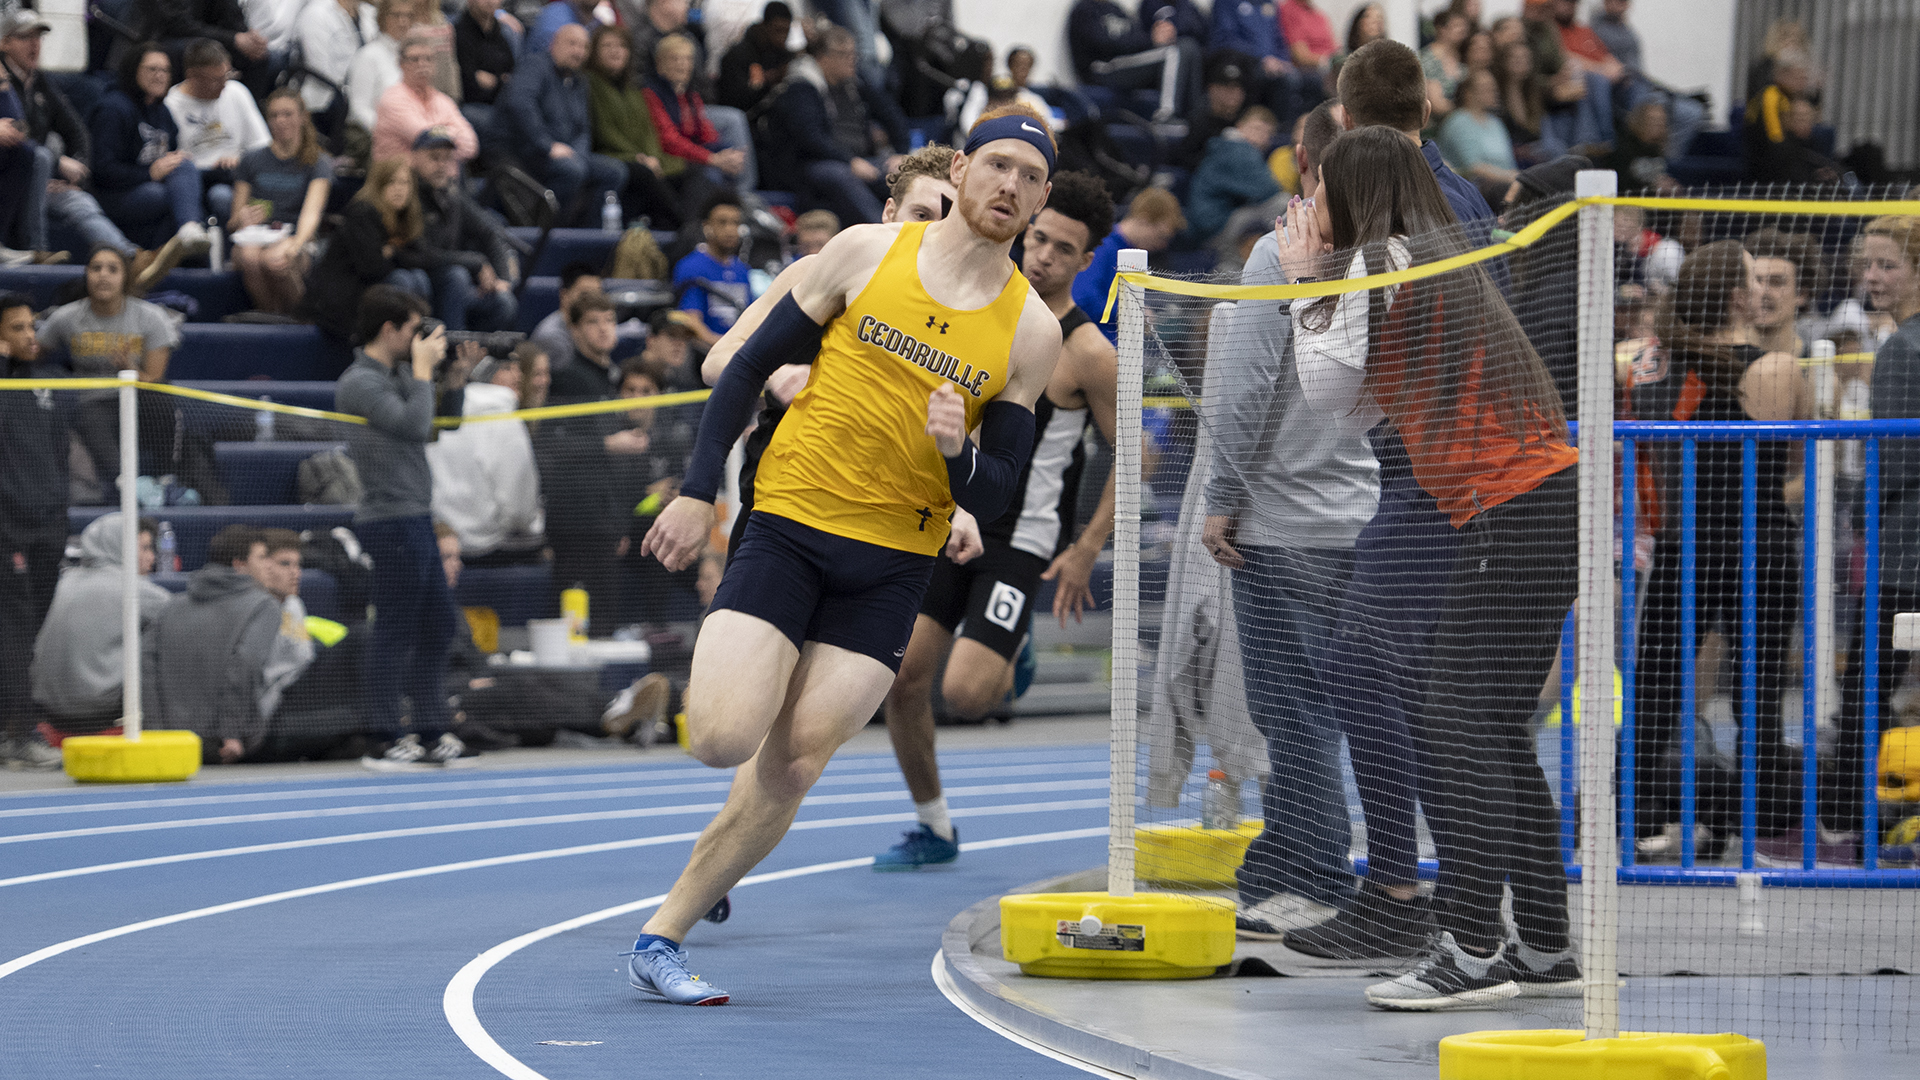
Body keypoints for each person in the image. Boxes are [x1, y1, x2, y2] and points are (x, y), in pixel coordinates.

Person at [621, 104, 1063, 1005]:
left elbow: (996, 491)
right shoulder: (867, 253)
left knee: (792, 764)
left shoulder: (1032, 332)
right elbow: (738, 366)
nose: (1010, 186)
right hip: (789, 526)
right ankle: (727, 833)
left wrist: (958, 454)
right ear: (967, 168)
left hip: (895, 564)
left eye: (1030, 176)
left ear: (1041, 197)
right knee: (723, 739)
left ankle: (662, 935)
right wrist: (698, 489)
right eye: (999, 166)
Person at [1280, 125, 1581, 1008]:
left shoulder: (1389, 261)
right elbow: (1361, 408)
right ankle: (1546, 948)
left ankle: (1472, 950)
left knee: (1456, 726)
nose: (1307, 204)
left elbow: (1328, 393)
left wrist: (1304, 286)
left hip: (1509, 507)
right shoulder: (1421, 259)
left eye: (1319, 186)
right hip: (1534, 505)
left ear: (1354, 190)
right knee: (1492, 729)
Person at [877, 170, 1118, 870]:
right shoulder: (983, 309)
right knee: (902, 679)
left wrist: (1084, 549)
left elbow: (1136, 456)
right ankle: (934, 825)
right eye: (1038, 239)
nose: (1043, 256)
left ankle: (1011, 646)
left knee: (969, 695)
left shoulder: (1087, 352)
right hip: (956, 517)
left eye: (1063, 250)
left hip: (1023, 539)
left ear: (1084, 260)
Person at [1201, 141, 1384, 939]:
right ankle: (1283, 861)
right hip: (1363, 511)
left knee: (1296, 707)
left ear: (1303, 163)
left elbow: (1244, 386)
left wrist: (1220, 497)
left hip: (1285, 518)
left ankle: (1313, 876)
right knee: (1330, 704)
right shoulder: (1392, 253)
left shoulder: (1279, 254)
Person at [1630, 241, 1810, 860]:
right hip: (1754, 544)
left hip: (1685, 544)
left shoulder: (1650, 360)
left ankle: (1637, 815)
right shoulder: (1775, 368)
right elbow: (1798, 459)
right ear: (1737, 295)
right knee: (1756, 693)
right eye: (1754, 278)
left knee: (1655, 684)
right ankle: (1745, 825)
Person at [700, 143, 959, 558]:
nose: (929, 233)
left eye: (945, 221)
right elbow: (716, 361)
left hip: (889, 525)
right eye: (920, 215)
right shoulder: (817, 272)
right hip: (782, 505)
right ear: (889, 213)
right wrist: (774, 372)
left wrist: (965, 512)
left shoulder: (963, 315)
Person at [336, 284, 469, 768]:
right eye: (414, 330)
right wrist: (421, 371)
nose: (422, 338)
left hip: (414, 514)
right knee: (395, 626)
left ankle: (432, 729)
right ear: (389, 329)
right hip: (389, 518)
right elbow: (413, 425)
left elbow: (439, 426)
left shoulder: (396, 376)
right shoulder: (360, 382)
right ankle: (382, 733)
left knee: (437, 624)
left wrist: (452, 380)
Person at [1831, 217, 1920, 851]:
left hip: (1902, 554)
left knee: (1868, 684)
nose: (1872, 277)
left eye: (1887, 265)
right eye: (1868, 264)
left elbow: (1894, 459)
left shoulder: (1904, 350)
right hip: (1902, 543)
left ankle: (1848, 827)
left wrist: (1865, 516)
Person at [3, 12, 147, 268]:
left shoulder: (39, 81)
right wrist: (57, 163)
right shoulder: (3, 82)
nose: (35, 44)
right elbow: (18, 134)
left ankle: (129, 258)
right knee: (42, 157)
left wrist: (75, 169)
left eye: (38, 37)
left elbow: (76, 129)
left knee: (80, 202)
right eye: (25, 37)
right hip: (13, 180)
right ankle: (36, 251)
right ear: (4, 43)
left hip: (41, 179)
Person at [38, 245, 180, 495]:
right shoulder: (66, 318)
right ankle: (128, 484)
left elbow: (155, 381)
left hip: (138, 398)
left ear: (124, 277)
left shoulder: (151, 317)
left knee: (163, 400)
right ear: (86, 275)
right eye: (96, 268)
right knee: (90, 416)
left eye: (112, 269)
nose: (103, 275)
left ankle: (166, 479)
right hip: (91, 404)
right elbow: (34, 351)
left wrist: (131, 369)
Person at [141, 525, 284, 763]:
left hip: (171, 745)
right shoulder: (264, 606)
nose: (269, 565)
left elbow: (146, 668)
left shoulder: (171, 606)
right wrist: (231, 733)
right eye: (262, 558)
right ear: (239, 565)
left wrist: (156, 732)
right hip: (226, 744)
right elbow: (245, 665)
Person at [0, 291, 69, 769]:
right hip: (6, 531)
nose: (30, 336)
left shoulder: (49, 384)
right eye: (17, 328)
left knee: (29, 633)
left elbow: (58, 454)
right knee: (14, 632)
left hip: (48, 529)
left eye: (32, 326)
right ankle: (19, 736)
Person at [31, 513, 168, 739]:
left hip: (49, 713)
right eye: (144, 548)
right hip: (101, 714)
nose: (151, 557)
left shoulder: (64, 582)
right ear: (120, 546)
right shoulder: (138, 591)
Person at [761, 27, 907, 226]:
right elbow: (811, 138)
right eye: (843, 54)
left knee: (909, 174)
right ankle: (883, 232)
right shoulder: (801, 87)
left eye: (853, 53)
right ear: (822, 57)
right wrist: (850, 161)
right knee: (840, 176)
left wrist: (901, 153)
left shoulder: (856, 82)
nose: (852, 59)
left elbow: (892, 115)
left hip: (862, 159)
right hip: (814, 164)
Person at [90, 44, 213, 253]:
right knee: (168, 198)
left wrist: (170, 165)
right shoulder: (113, 108)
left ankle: (187, 232)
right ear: (133, 70)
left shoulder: (162, 111)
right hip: (115, 194)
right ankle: (167, 249)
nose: (160, 76)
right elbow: (102, 170)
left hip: (149, 187)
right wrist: (149, 173)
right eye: (152, 69)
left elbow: (169, 158)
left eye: (165, 70)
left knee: (183, 167)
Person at [427, 350, 545, 564]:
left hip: (442, 545)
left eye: (518, 368)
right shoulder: (502, 417)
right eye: (508, 368)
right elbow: (518, 505)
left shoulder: (437, 407)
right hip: (492, 551)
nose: (519, 376)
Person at [400, 127, 519, 332]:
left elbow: (489, 232)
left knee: (503, 302)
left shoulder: (452, 194)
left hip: (454, 287)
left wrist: (502, 278)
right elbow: (420, 254)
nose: (441, 165)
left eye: (447, 159)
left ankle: (480, 359)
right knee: (456, 276)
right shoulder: (405, 194)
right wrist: (475, 262)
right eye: (434, 158)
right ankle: (453, 354)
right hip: (421, 282)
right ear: (414, 158)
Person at [504, 24, 626, 223]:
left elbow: (584, 128)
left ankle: (588, 238)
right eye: (572, 44)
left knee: (614, 172)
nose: (578, 52)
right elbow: (520, 105)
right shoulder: (535, 66)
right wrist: (547, 145)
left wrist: (578, 153)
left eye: (584, 47)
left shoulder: (579, 81)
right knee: (572, 170)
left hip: (568, 153)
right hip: (531, 150)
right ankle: (547, 231)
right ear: (554, 44)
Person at [229, 89, 332, 314]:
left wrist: (297, 243)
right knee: (250, 257)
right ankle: (271, 317)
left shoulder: (317, 161)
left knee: (276, 259)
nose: (280, 121)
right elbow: (234, 220)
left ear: (302, 117)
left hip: (294, 234)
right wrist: (243, 218)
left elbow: (311, 214)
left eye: (287, 114)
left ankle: (302, 317)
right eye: (274, 116)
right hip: (255, 235)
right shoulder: (252, 159)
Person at [302, 155, 422, 343]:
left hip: (367, 292)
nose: (400, 189)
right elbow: (372, 267)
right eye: (392, 182)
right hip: (344, 306)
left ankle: (421, 341)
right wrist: (395, 256)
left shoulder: (405, 219)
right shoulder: (363, 212)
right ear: (378, 185)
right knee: (402, 280)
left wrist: (392, 253)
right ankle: (397, 347)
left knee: (420, 278)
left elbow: (422, 256)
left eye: (405, 183)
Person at [585, 24, 683, 229]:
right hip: (611, 155)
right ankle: (684, 225)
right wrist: (638, 157)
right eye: (607, 45)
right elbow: (604, 132)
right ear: (594, 52)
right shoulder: (590, 85)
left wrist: (652, 156)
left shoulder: (632, 90)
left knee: (688, 172)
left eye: (621, 46)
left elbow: (648, 130)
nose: (615, 51)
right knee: (645, 174)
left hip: (641, 157)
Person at [165, 37, 271, 224]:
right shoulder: (171, 106)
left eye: (227, 75)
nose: (224, 85)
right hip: (199, 180)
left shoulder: (236, 91)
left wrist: (240, 159)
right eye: (216, 79)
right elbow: (173, 161)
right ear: (192, 76)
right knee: (220, 196)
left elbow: (263, 146)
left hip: (240, 175)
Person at [645, 33, 752, 209]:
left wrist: (727, 156)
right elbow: (669, 141)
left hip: (693, 157)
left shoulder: (691, 96)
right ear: (659, 64)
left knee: (732, 159)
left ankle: (742, 201)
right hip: (670, 159)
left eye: (687, 59)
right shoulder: (651, 94)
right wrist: (712, 159)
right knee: (712, 174)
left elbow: (706, 133)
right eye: (675, 59)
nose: (682, 65)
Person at [1071, 186, 1185, 339]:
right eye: (1161, 236)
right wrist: (1132, 313)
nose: (1162, 245)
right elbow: (1083, 298)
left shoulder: (1130, 254)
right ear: (1144, 219)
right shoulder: (1103, 246)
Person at [1066, 0, 1201, 122]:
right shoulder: (1084, 9)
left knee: (1187, 46)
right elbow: (1104, 44)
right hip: (1100, 69)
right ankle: (1166, 116)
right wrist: (1150, 40)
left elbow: (1136, 38)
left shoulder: (1116, 9)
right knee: (1172, 52)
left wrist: (1155, 38)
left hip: (1124, 63)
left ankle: (1194, 117)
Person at [1185, 104, 1283, 252]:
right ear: (1240, 126)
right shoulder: (1238, 148)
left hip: (1212, 222)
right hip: (1213, 229)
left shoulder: (1227, 144)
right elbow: (1268, 189)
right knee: (1282, 202)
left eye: (1267, 133)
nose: (1261, 137)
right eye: (1256, 128)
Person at [128, 0, 272, 97]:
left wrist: (248, 39)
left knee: (258, 56)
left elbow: (231, 14)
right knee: (197, 51)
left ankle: (243, 121)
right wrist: (234, 39)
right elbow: (176, 24)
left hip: (208, 38)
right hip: (161, 40)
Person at [372, 34, 478, 163]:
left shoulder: (443, 100)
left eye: (428, 59)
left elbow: (471, 146)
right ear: (401, 64)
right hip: (401, 178)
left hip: (438, 176)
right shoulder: (392, 99)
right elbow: (427, 140)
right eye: (415, 59)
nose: (422, 64)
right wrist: (450, 132)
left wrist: (438, 133)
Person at [673, 193, 756, 344]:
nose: (730, 230)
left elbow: (752, 319)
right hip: (707, 351)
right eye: (722, 223)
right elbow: (692, 322)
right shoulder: (692, 266)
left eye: (735, 223)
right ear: (707, 227)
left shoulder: (743, 270)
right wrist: (725, 348)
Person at [1436, 68, 1517, 202]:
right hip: (1474, 189)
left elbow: (1510, 163)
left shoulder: (1496, 123)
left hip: (1505, 183)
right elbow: (1473, 167)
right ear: (1469, 93)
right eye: (1486, 88)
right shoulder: (1458, 121)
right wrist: (1510, 177)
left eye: (1493, 87)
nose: (1493, 92)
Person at [345, 0, 416, 145]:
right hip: (377, 137)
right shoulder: (368, 55)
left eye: (408, 16)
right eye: (396, 15)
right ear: (382, 18)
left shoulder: (414, 57)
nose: (402, 21)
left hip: (412, 132)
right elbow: (358, 109)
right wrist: (388, 131)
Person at [1744, 228, 1820, 360]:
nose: (1763, 291)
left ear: (1801, 294)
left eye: (1776, 282)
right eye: (1755, 281)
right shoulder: (1723, 361)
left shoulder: (1816, 370)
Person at [296, 0, 378, 118]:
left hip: (365, 92)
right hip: (328, 99)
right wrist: (354, 89)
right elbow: (319, 67)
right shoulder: (316, 14)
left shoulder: (369, 13)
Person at [714, 1, 792, 114]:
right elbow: (734, 100)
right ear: (764, 26)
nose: (782, 37)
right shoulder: (737, 55)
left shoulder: (784, 56)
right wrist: (768, 81)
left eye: (786, 31)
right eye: (778, 30)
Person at [453, 0, 517, 135]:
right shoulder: (458, 32)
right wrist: (502, 81)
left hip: (504, 102)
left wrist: (495, 82)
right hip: (471, 106)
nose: (490, 2)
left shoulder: (503, 31)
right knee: (501, 125)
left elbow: (514, 76)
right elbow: (469, 85)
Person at [546, 287, 620, 401]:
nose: (603, 328)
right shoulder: (567, 380)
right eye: (593, 321)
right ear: (575, 329)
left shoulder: (619, 375)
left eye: (609, 320)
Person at [530, 260, 601, 367]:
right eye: (585, 294)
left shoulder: (595, 331)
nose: (592, 301)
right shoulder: (551, 338)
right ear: (564, 295)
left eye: (597, 294)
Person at [1421, 7, 1471, 127]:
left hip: (1465, 123)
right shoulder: (1427, 59)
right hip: (1439, 127)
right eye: (1457, 25)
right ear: (1441, 29)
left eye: (1464, 26)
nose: (1462, 30)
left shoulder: (1465, 56)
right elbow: (1436, 104)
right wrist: (1468, 110)